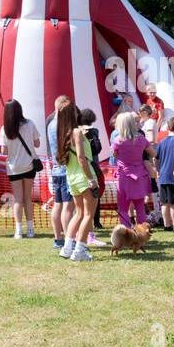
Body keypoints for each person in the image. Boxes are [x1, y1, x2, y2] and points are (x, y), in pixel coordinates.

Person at [56, 101, 98, 262]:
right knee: (88, 215)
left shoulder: (63, 133)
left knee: (79, 213)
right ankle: (79, 249)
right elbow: (81, 158)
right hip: (83, 176)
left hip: (71, 177)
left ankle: (67, 248)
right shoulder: (76, 132)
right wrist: (91, 179)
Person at [0, 99, 40, 239]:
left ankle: (18, 231)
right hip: (29, 165)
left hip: (13, 167)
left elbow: (3, 152)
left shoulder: (4, 129)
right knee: (28, 197)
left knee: (17, 199)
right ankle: (30, 230)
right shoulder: (29, 124)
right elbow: (37, 143)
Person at [110, 111, 154, 228]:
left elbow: (114, 156)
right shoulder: (141, 139)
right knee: (140, 207)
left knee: (123, 208)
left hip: (124, 177)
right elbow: (153, 153)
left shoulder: (118, 141)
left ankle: (126, 233)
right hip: (140, 175)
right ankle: (142, 233)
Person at [45, 96, 72, 250]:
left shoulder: (50, 124)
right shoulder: (63, 125)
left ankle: (58, 239)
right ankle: (69, 241)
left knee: (58, 205)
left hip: (56, 169)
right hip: (66, 169)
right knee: (68, 207)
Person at [78, 107, 108, 244]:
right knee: (96, 194)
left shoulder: (77, 132)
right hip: (94, 164)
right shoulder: (94, 131)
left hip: (83, 166)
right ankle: (96, 221)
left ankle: (87, 222)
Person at [155, 117, 174, 231]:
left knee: (164, 202)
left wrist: (158, 170)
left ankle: (167, 225)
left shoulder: (162, 142)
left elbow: (155, 159)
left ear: (167, 128)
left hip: (163, 174)